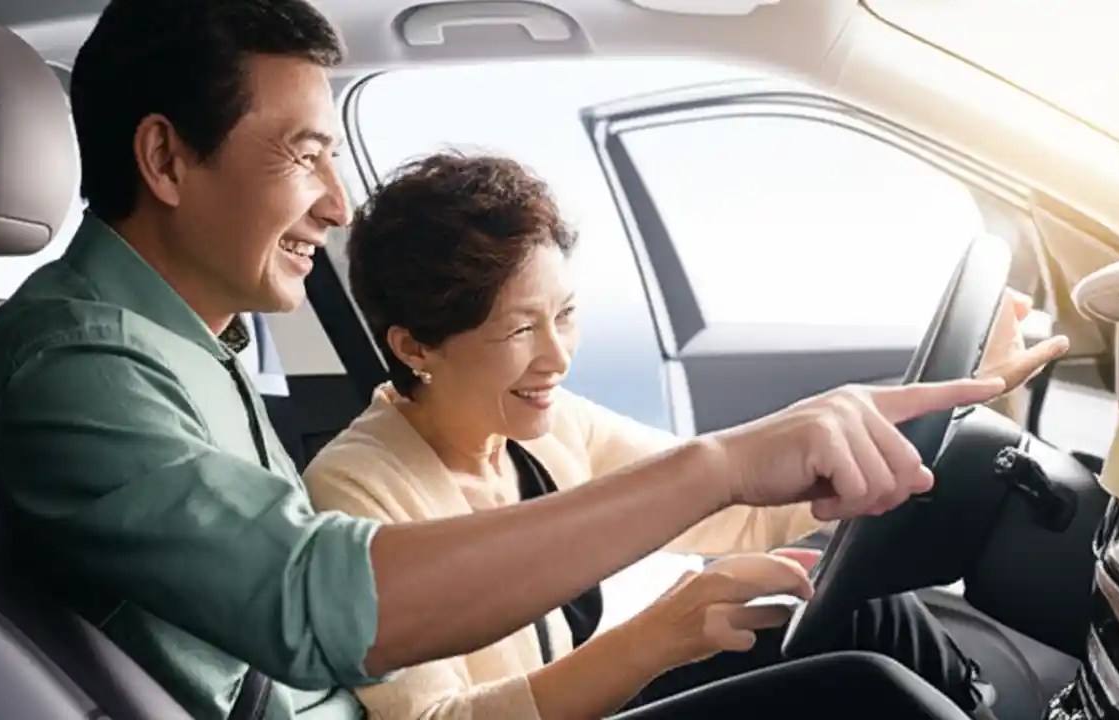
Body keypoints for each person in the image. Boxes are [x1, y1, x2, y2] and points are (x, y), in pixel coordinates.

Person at [0, 1, 1034, 719]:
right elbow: (311, 604)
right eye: (303, 156)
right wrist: (710, 478)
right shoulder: (77, 362)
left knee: (853, 644)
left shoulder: (178, 346)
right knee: (860, 696)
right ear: (164, 159)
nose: (333, 204)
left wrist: (857, 439)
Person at [302, 152, 1070, 719]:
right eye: (519, 330)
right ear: (414, 347)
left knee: (859, 605)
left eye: (565, 315)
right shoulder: (357, 492)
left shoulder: (542, 425)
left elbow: (736, 505)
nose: (558, 356)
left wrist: (931, 406)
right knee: (871, 692)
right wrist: (660, 636)